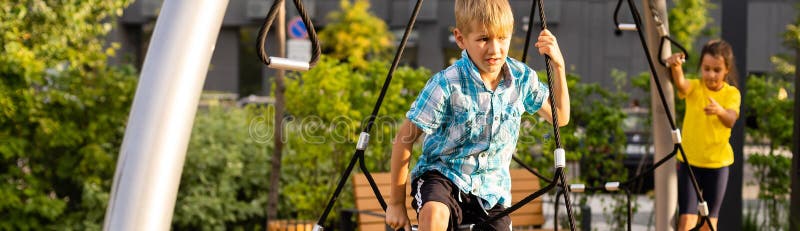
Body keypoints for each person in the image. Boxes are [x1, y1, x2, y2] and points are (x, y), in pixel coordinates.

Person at [384, 0, 570, 230]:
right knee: (434, 214)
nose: (495, 49)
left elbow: (560, 117)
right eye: (483, 39)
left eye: (502, 38)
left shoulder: (521, 79)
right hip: (443, 176)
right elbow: (405, 137)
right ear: (460, 39)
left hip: (491, 192)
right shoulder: (446, 84)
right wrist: (396, 203)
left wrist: (558, 67)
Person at [665, 39, 740, 231]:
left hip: (717, 165)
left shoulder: (731, 94)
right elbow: (681, 85)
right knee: (686, 221)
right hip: (690, 163)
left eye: (717, 70)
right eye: (706, 69)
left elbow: (731, 119)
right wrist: (675, 66)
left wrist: (720, 111)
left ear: (726, 70)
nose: (711, 75)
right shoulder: (696, 88)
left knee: (708, 223)